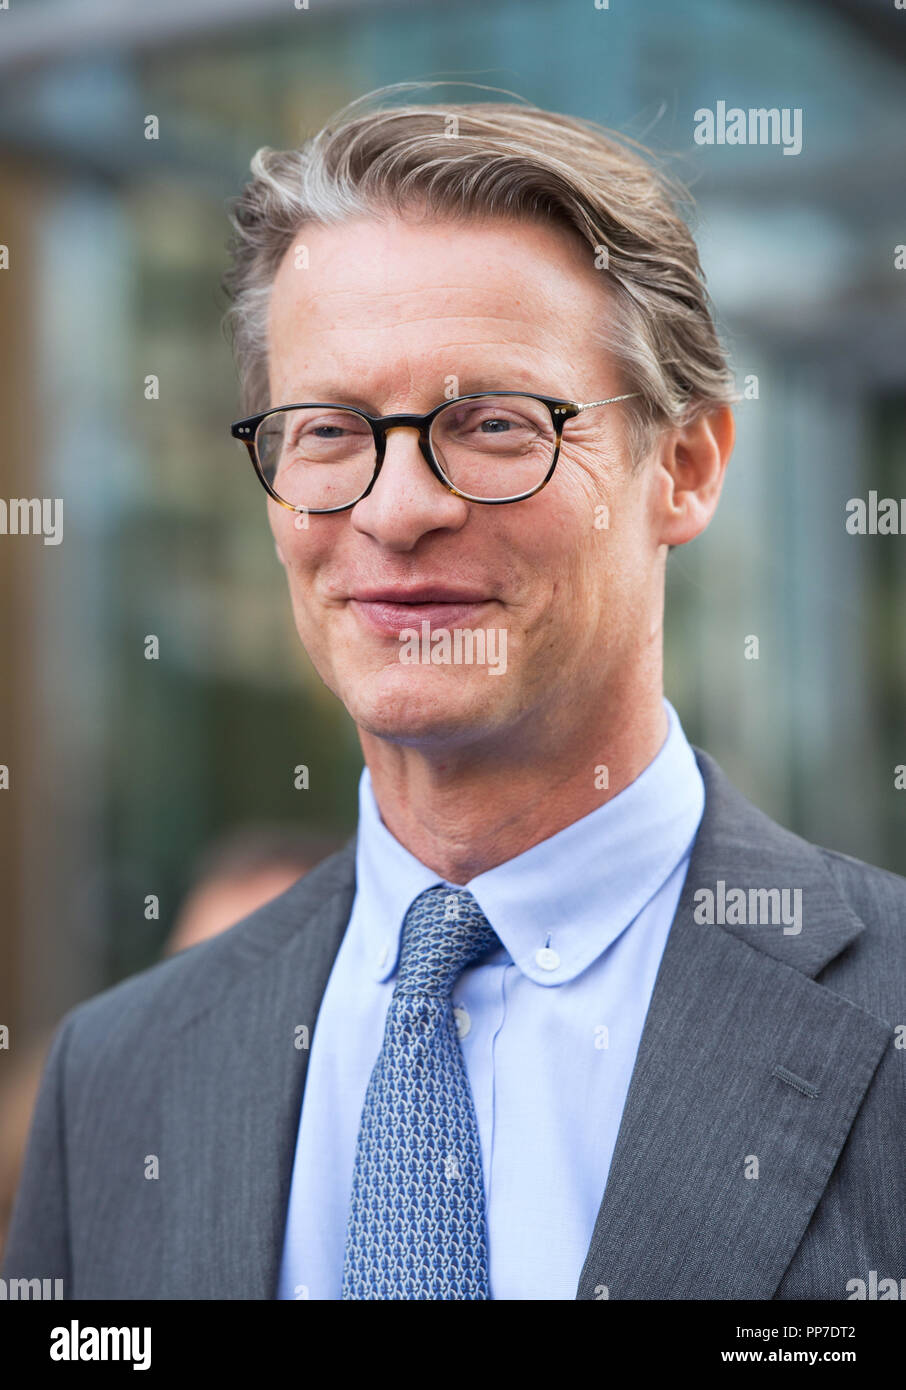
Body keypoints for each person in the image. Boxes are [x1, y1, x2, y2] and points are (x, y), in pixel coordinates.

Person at [4, 86, 904, 1301]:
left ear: (683, 468)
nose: (395, 507)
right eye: (328, 430)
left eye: (489, 422)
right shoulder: (117, 1076)